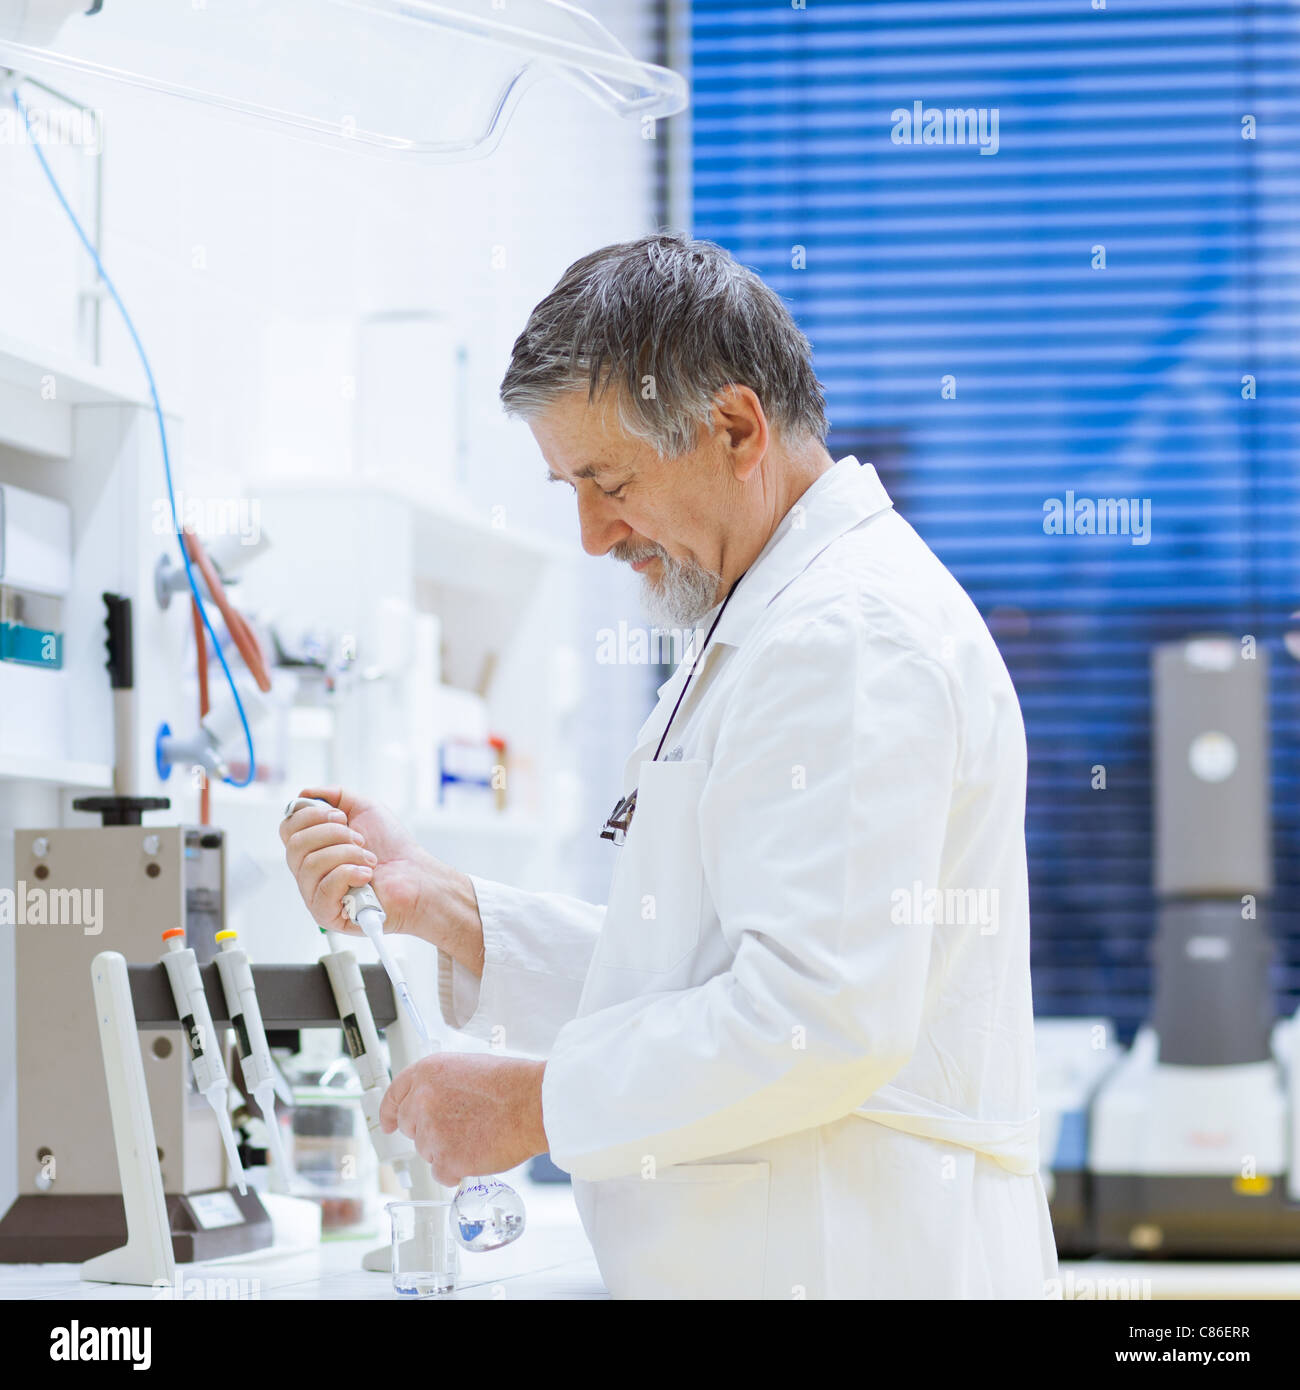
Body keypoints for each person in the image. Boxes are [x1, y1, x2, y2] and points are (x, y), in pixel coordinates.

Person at [281, 232, 1059, 1299]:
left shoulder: (848, 637)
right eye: (568, 487)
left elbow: (816, 1017)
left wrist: (528, 1106)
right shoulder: (764, 625)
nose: (595, 534)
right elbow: (695, 972)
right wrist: (448, 905)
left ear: (736, 426)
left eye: (607, 481)